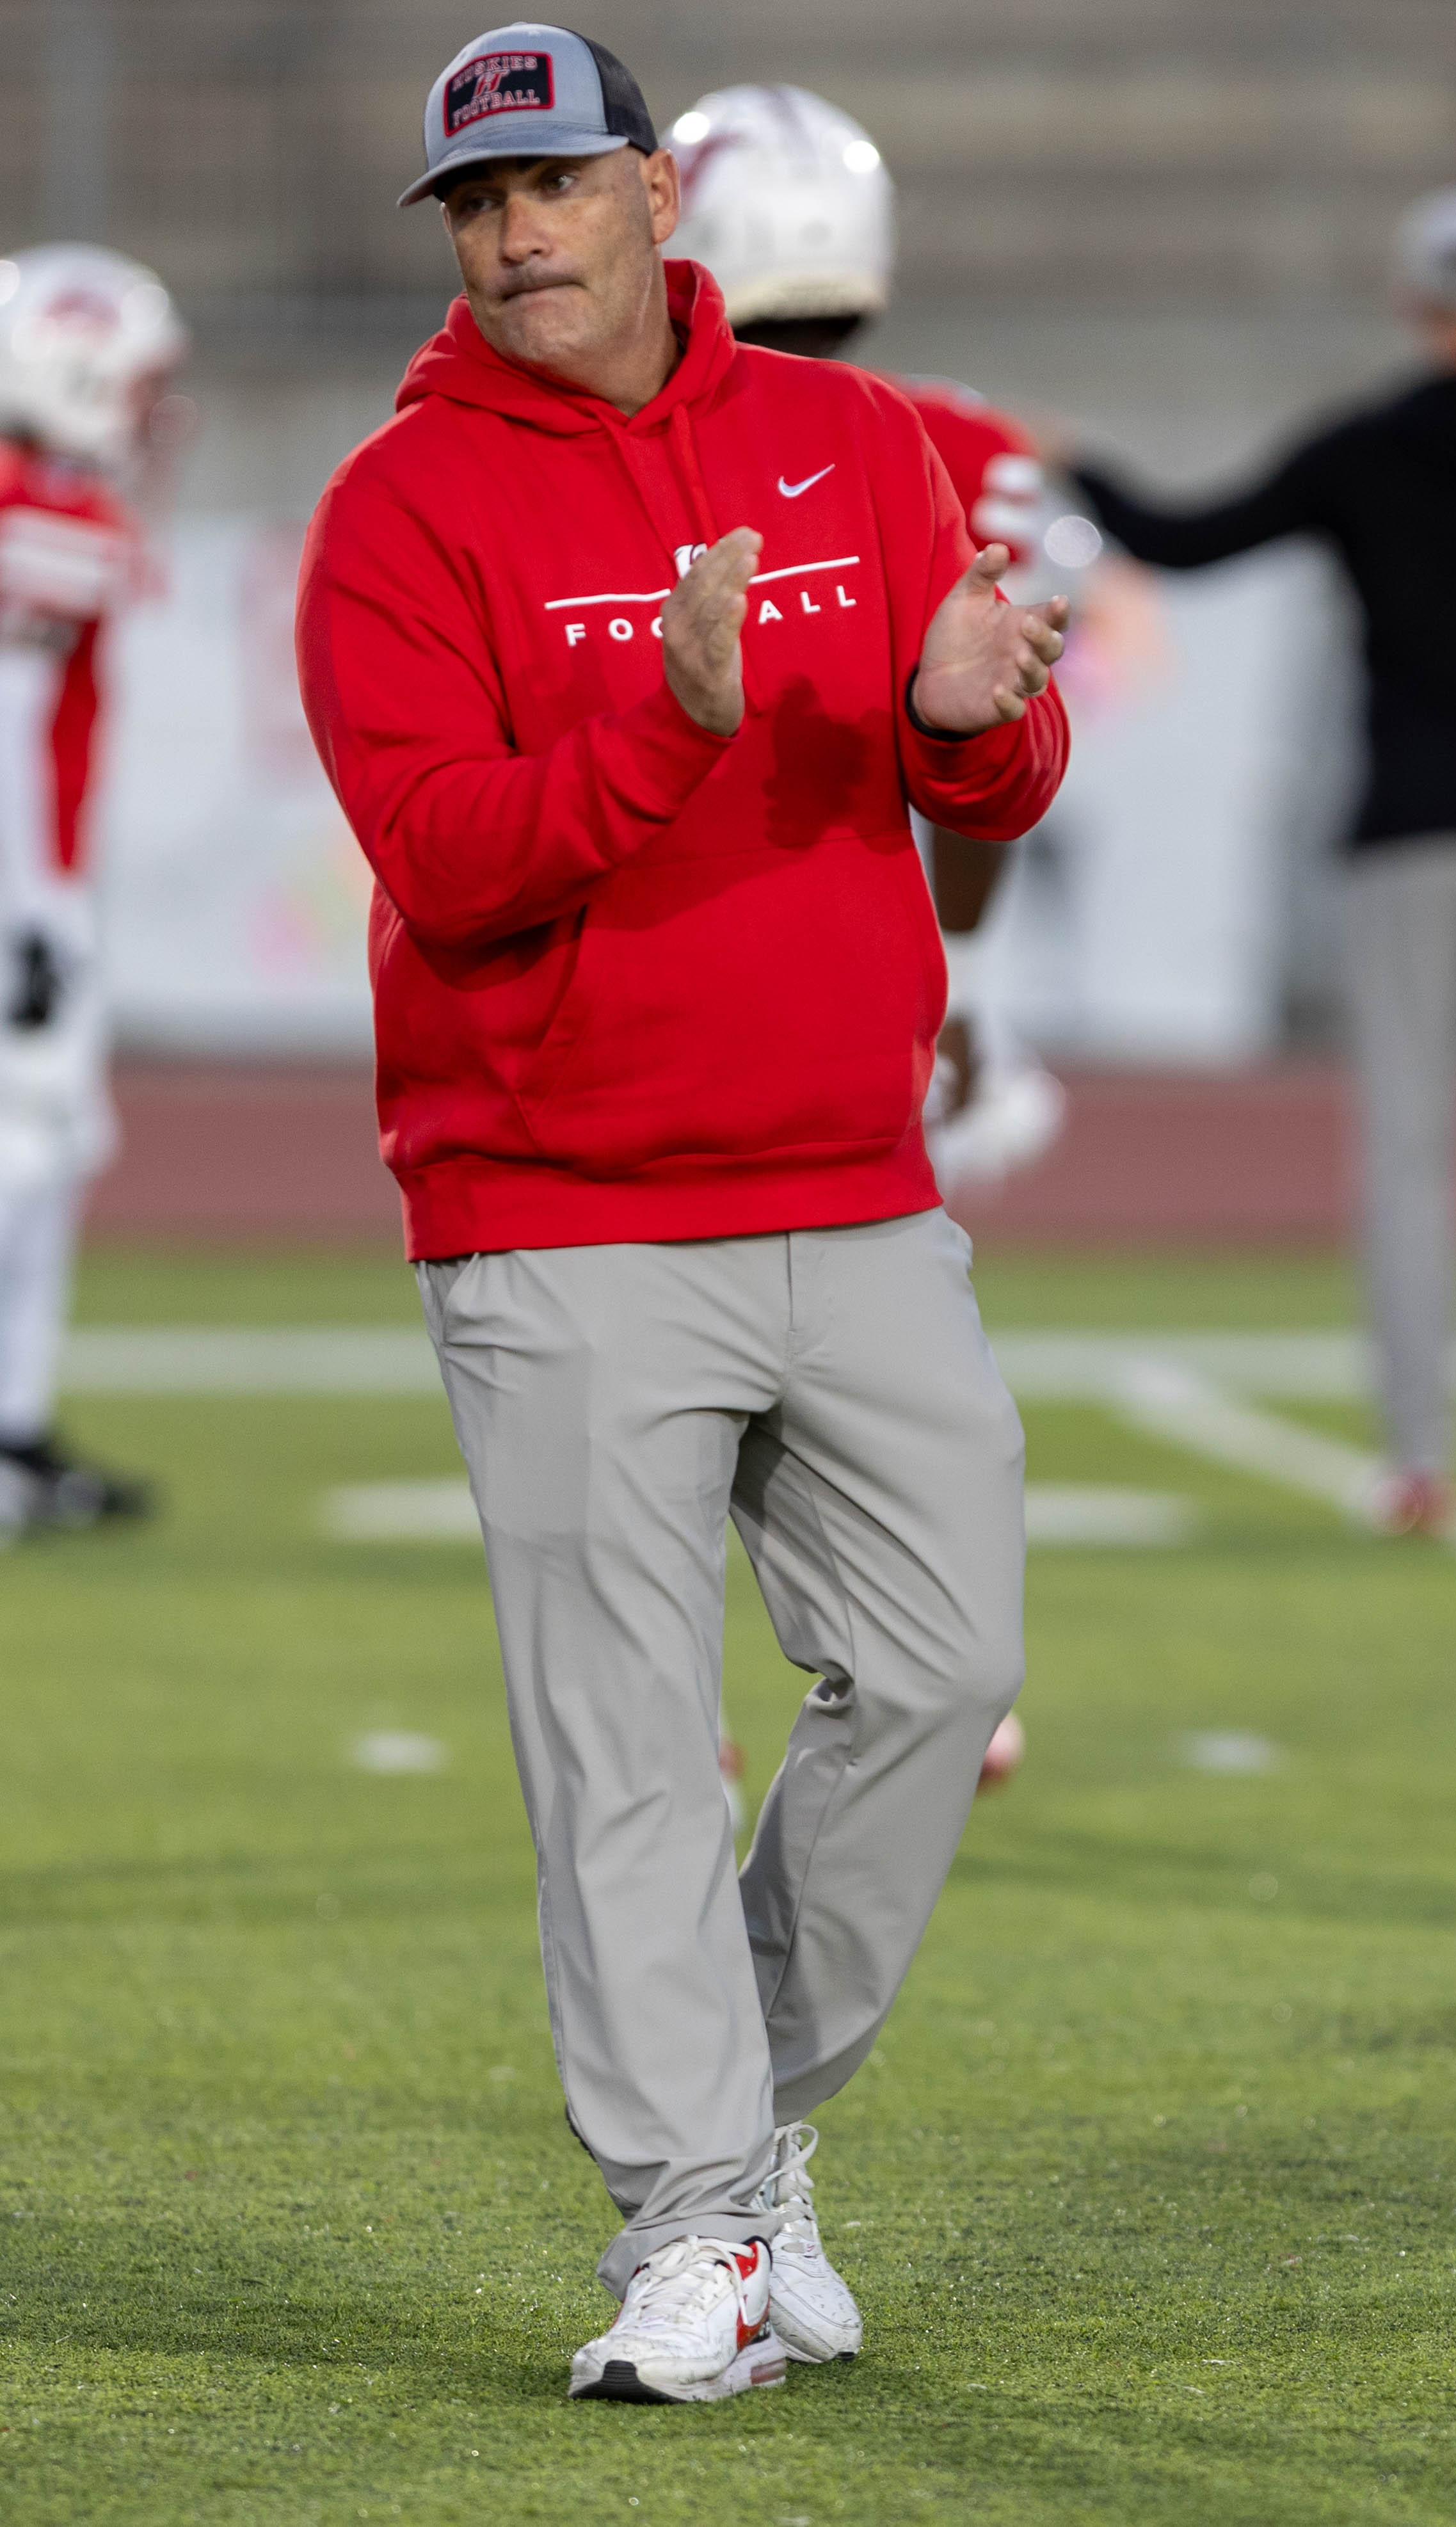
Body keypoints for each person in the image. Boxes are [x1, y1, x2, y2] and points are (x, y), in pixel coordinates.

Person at [295, 24, 1069, 2403]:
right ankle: (698, 2220)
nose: (512, 233)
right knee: (625, 1744)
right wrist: (672, 725)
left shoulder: (860, 444)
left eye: (548, 185)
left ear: (652, 190)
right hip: (554, 1204)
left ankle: (752, 2134)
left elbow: (1001, 777)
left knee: (940, 1667)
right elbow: (441, 856)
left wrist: (967, 718)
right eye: (472, 203)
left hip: (852, 1183)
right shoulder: (396, 505)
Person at [1069, 185, 1456, 1541]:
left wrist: (1074, 464)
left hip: (1406, 831)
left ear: (1412, 302)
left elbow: (1181, 539)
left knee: (1407, 1149)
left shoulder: (1366, 446)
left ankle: (1416, 1456)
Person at [662, 76, 1049, 1793]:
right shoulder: (955, 441)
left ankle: (704, 1695)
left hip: (676, 934)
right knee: (869, 1337)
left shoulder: (645, 430)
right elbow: (983, 765)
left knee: (672, 1361)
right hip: (868, 947)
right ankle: (914, 1656)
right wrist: (964, 970)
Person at [0, 246, 184, 1536]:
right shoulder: (46, 525)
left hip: (34, 889)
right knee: (20, 1149)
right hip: (18, 894)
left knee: (52, 1149)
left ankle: (13, 1432)